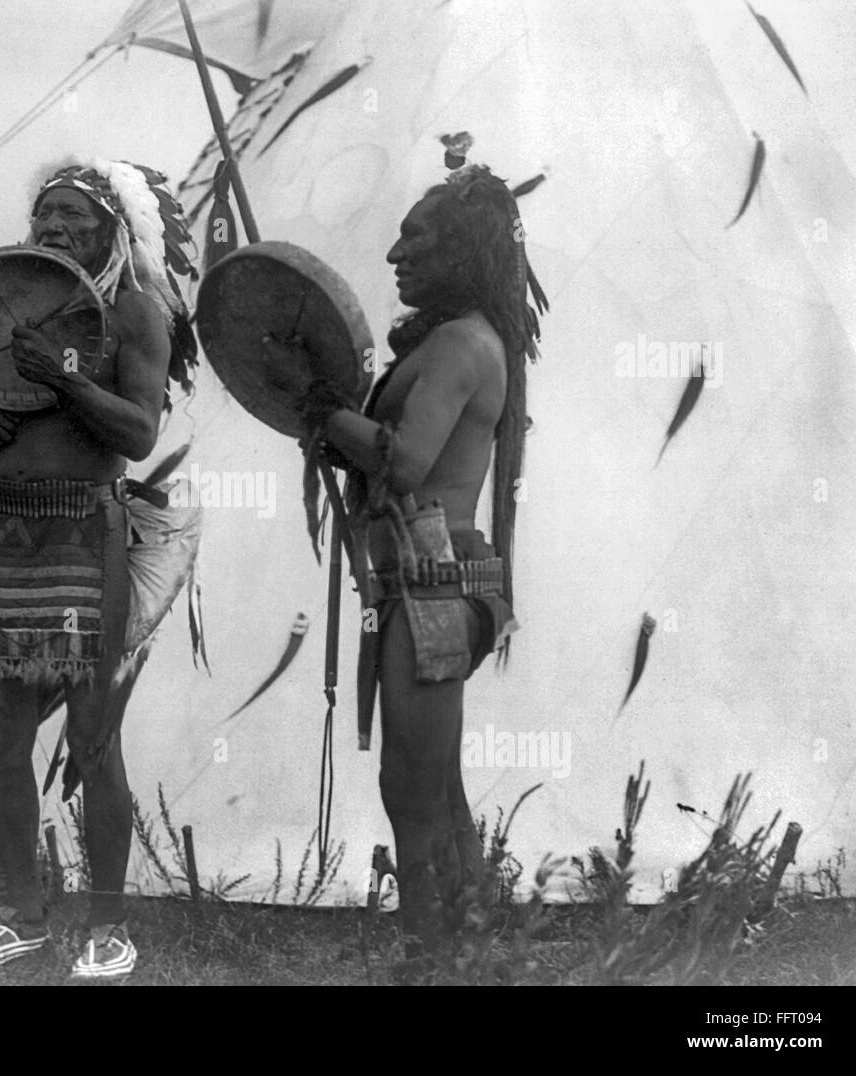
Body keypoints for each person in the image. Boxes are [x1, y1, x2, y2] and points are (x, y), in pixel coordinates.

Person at [0, 159, 196, 979]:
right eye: (43, 213)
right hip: (2, 539)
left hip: (85, 540)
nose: (52, 227)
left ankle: (106, 928)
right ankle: (21, 914)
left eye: (72, 216)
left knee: (93, 742)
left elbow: (137, 434)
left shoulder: (134, 315)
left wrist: (62, 375)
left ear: (111, 231)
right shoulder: (5, 306)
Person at [303, 163, 545, 968]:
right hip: (434, 583)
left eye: (418, 238)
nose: (395, 254)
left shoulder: (459, 345)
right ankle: (465, 949)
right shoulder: (468, 338)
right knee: (436, 787)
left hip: (435, 589)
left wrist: (326, 414)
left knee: (409, 792)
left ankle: (429, 963)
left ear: (464, 252)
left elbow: (404, 466)